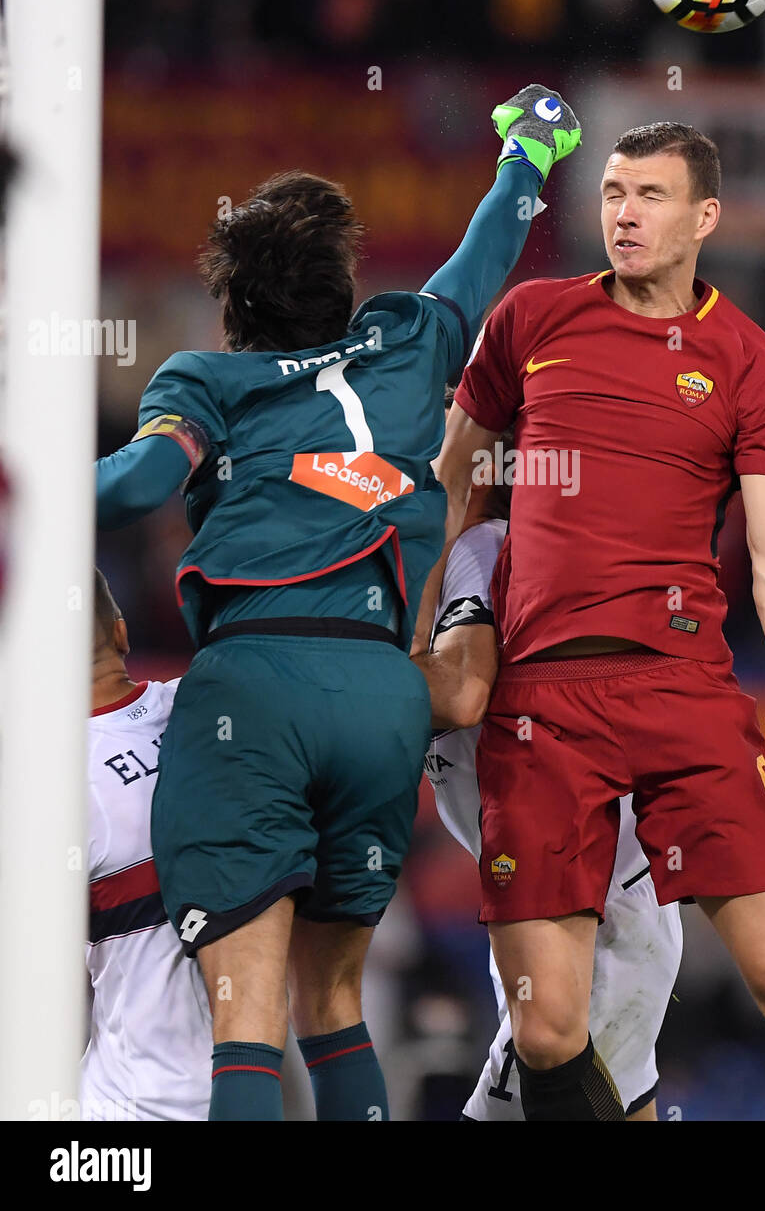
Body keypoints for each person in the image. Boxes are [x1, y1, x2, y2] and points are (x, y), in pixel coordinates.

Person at [94, 86, 581, 1121]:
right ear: (344, 283)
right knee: (335, 1000)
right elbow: (485, 257)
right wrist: (529, 152)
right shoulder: (408, 342)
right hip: (380, 695)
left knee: (247, 1018)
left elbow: (137, 488)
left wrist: (30, 488)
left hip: (255, 688)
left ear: (235, 309)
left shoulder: (209, 380)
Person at [430, 120, 765, 1121]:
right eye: (614, 191)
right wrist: (425, 619)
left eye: (650, 195)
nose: (623, 212)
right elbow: (452, 483)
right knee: (545, 1028)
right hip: (539, 698)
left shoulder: (749, 362)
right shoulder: (529, 319)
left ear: (704, 216)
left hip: (684, 687)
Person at [411, 449, 682, 1122]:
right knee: (622, 1102)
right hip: (564, 899)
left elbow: (460, 695)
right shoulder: (444, 567)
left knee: (517, 1097)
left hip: (590, 906)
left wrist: (329, 663)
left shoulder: (485, 545)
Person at [83, 568, 211, 1120]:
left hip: (131, 1112)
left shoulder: (36, 788)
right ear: (120, 634)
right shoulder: (221, 708)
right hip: (262, 1086)